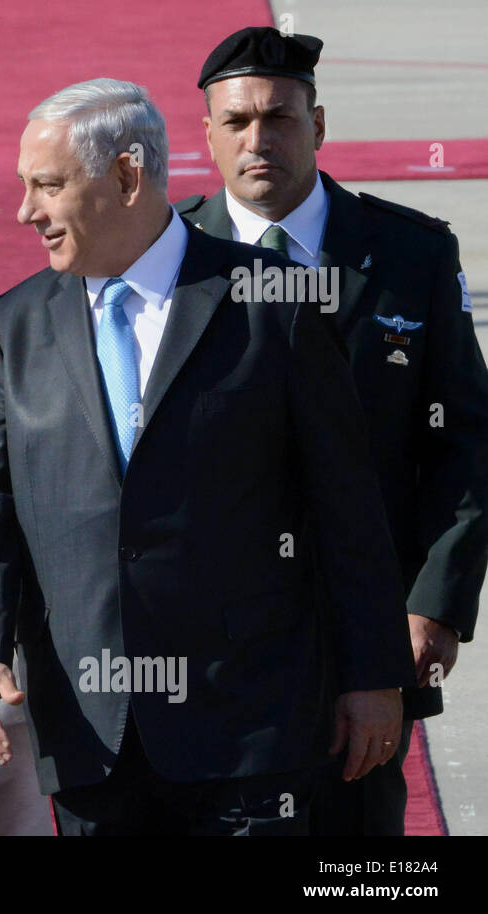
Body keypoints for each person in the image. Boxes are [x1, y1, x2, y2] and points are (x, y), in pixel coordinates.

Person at [0, 78, 415, 835]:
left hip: (249, 727)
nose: (26, 211)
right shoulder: (14, 325)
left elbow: (347, 505)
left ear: (127, 177)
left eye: (48, 186)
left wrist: (373, 675)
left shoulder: (277, 301)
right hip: (93, 735)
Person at [176, 26, 488, 835]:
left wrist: (435, 604)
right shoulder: (168, 262)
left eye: (278, 118)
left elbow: (466, 439)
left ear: (318, 125)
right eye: (236, 122)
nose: (258, 140)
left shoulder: (408, 254)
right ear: (206, 135)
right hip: (214, 643)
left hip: (367, 636)